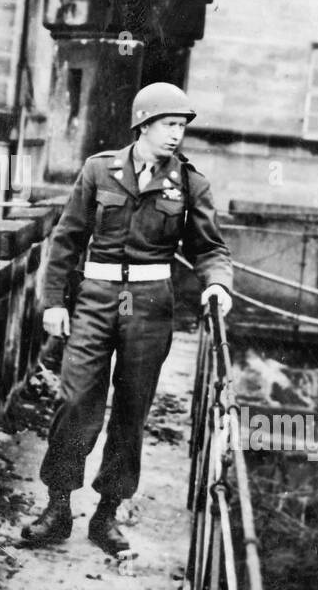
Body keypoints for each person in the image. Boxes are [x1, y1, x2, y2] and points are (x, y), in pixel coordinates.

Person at [22, 82, 233, 555]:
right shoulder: (99, 171)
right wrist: (54, 302)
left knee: (133, 408)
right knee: (76, 399)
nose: (176, 135)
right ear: (143, 125)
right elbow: (67, 239)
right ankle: (57, 506)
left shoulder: (190, 183)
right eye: (168, 125)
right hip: (97, 297)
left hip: (150, 302)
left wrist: (217, 284)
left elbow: (210, 248)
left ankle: (107, 513)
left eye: (181, 126)